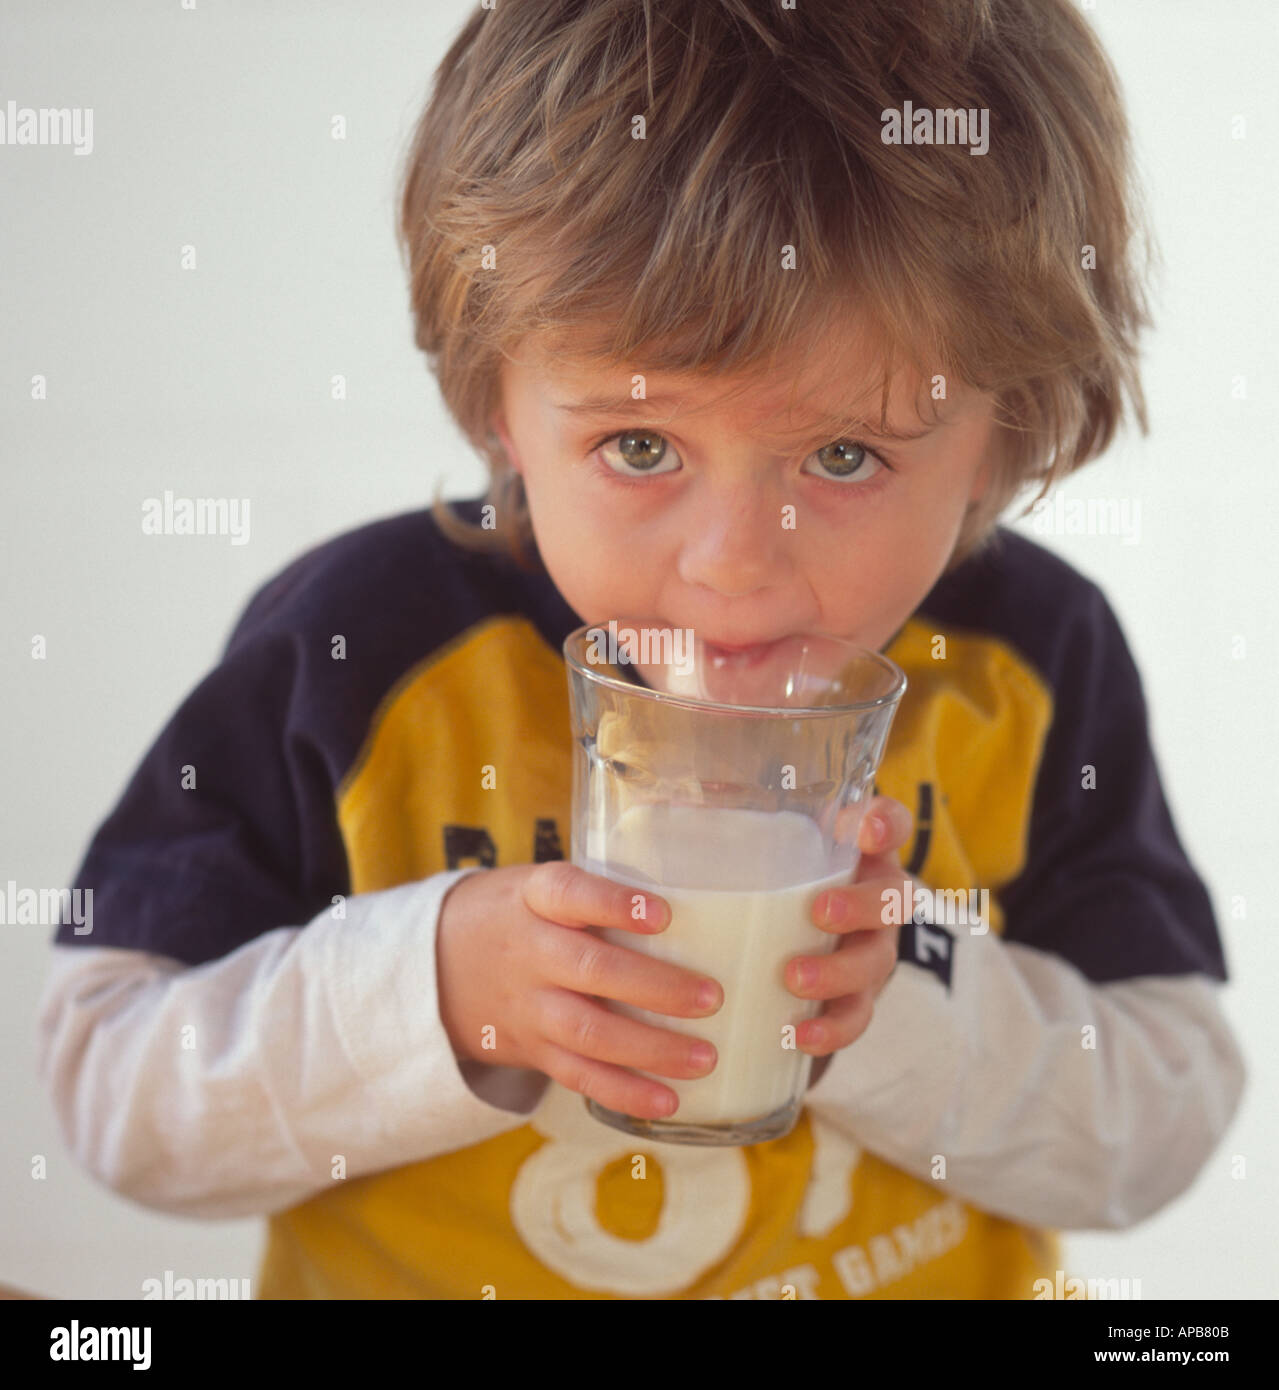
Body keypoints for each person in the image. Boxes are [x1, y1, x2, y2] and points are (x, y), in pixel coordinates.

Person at [37, 0, 1245, 1299]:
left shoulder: (1035, 658)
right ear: (499, 401)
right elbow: (111, 1086)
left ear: (1002, 439)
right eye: (639, 446)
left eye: (845, 455)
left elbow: (1170, 1110)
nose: (734, 563)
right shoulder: (357, 653)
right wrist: (437, 993)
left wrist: (895, 1006)